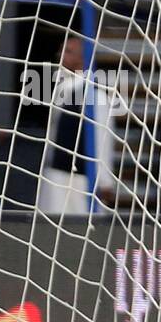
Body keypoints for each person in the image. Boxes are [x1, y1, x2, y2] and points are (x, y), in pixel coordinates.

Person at [39, 34, 128, 214]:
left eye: (68, 51)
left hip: (81, 180)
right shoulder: (62, 89)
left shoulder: (95, 96)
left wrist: (104, 180)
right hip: (56, 175)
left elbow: (102, 137)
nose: (60, 55)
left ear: (82, 57)